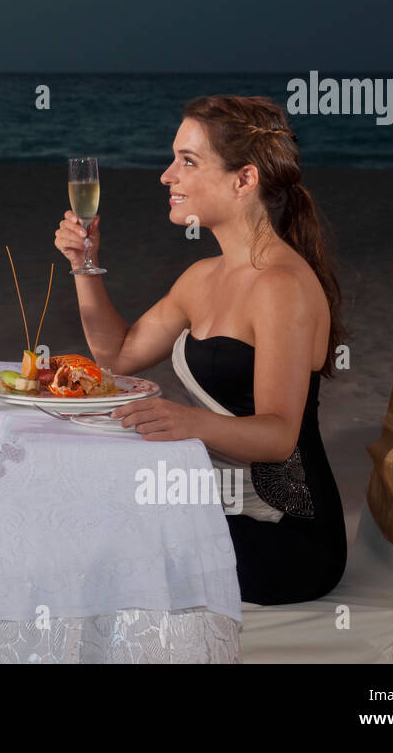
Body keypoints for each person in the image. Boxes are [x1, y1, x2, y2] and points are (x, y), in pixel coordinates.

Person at [54, 95, 347, 605]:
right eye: (173, 160)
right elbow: (117, 356)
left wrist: (186, 423)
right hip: (219, 502)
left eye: (187, 161)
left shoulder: (282, 286)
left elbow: (280, 436)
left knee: (108, 544)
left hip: (287, 534)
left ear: (244, 180)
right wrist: (84, 265)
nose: (168, 177)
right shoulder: (201, 277)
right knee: (85, 513)